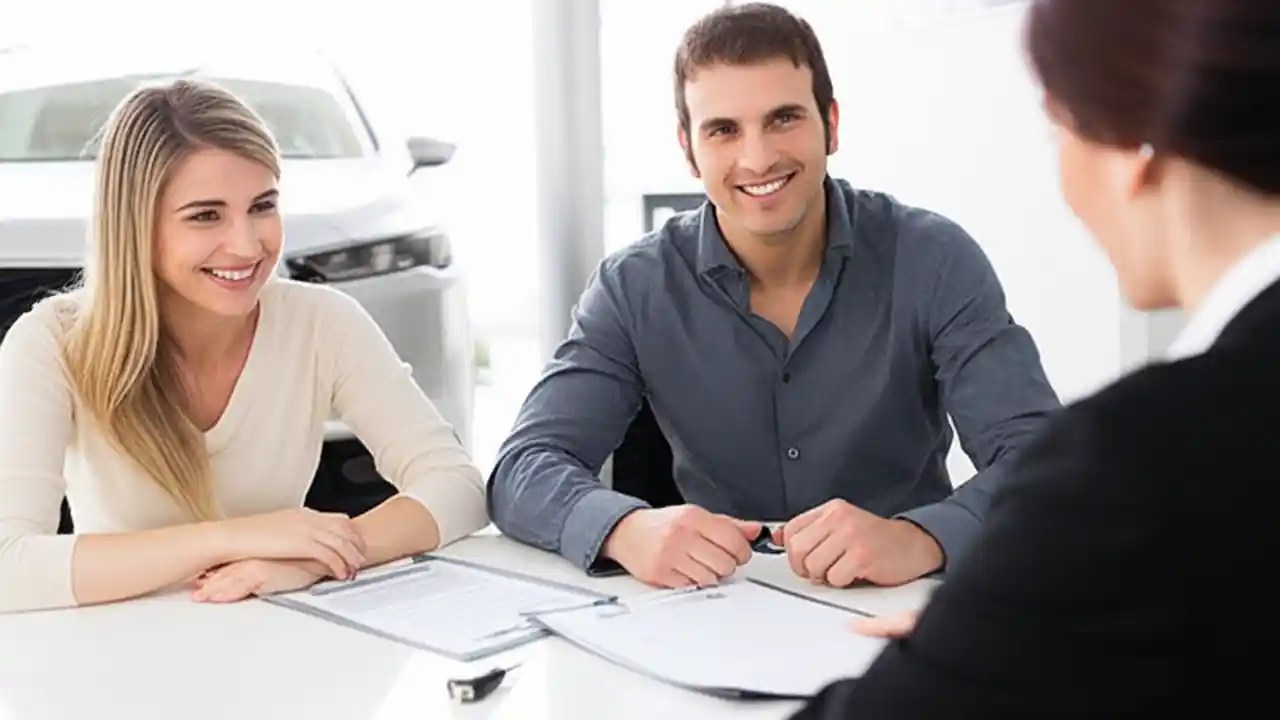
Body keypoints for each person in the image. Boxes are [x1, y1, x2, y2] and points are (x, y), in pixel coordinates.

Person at [794, 0, 1280, 714]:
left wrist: (991, 637)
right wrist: (1015, 622)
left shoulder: (1132, 462)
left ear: (1134, 146)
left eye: (1059, 132)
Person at [490, 2, 1060, 590]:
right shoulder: (634, 286)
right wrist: (624, 529)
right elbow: (524, 469)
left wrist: (922, 537)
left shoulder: (933, 259)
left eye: (783, 119)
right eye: (723, 130)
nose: (757, 157)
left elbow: (1045, 462)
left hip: (900, 599)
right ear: (689, 149)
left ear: (830, 124)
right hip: (715, 606)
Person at [0, 79, 488, 613]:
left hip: (274, 646)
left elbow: (457, 486)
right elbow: (9, 566)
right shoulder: (52, 342)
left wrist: (313, 558)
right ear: (135, 224)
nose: (248, 243)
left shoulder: (320, 322)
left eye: (262, 205)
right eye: (206, 215)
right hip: (119, 656)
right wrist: (232, 538)